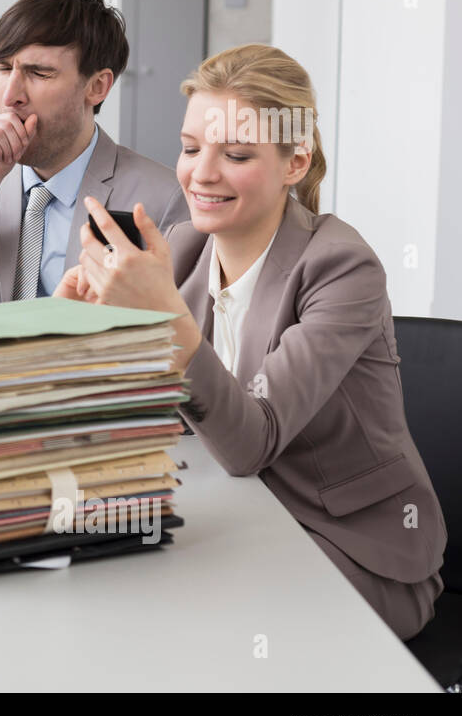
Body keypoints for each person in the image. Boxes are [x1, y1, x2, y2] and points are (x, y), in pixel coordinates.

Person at [55, 43, 446, 640]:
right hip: (234, 523)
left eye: (235, 154)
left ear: (295, 163)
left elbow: (249, 442)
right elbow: (123, 425)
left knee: (193, 632)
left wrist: (162, 317)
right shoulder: (181, 251)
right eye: (190, 149)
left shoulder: (343, 268)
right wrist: (77, 335)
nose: (201, 173)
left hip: (347, 548)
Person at [0, 0, 189, 313]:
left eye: (39, 73)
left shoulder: (161, 198)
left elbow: (171, 339)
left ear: (97, 86)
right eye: (4, 69)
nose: (10, 96)